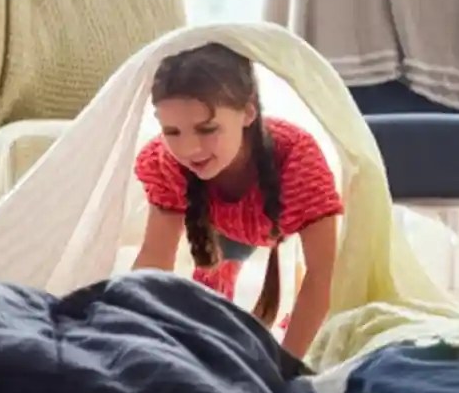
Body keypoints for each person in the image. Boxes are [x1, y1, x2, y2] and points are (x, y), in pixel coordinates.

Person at [132, 43, 343, 358]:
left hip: (274, 211)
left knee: (330, 316)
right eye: (172, 131)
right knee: (208, 297)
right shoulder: (168, 161)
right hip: (217, 222)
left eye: (207, 129)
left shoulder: (297, 161)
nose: (189, 148)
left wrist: (284, 369)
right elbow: (154, 260)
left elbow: (324, 275)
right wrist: (131, 333)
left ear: (248, 111)